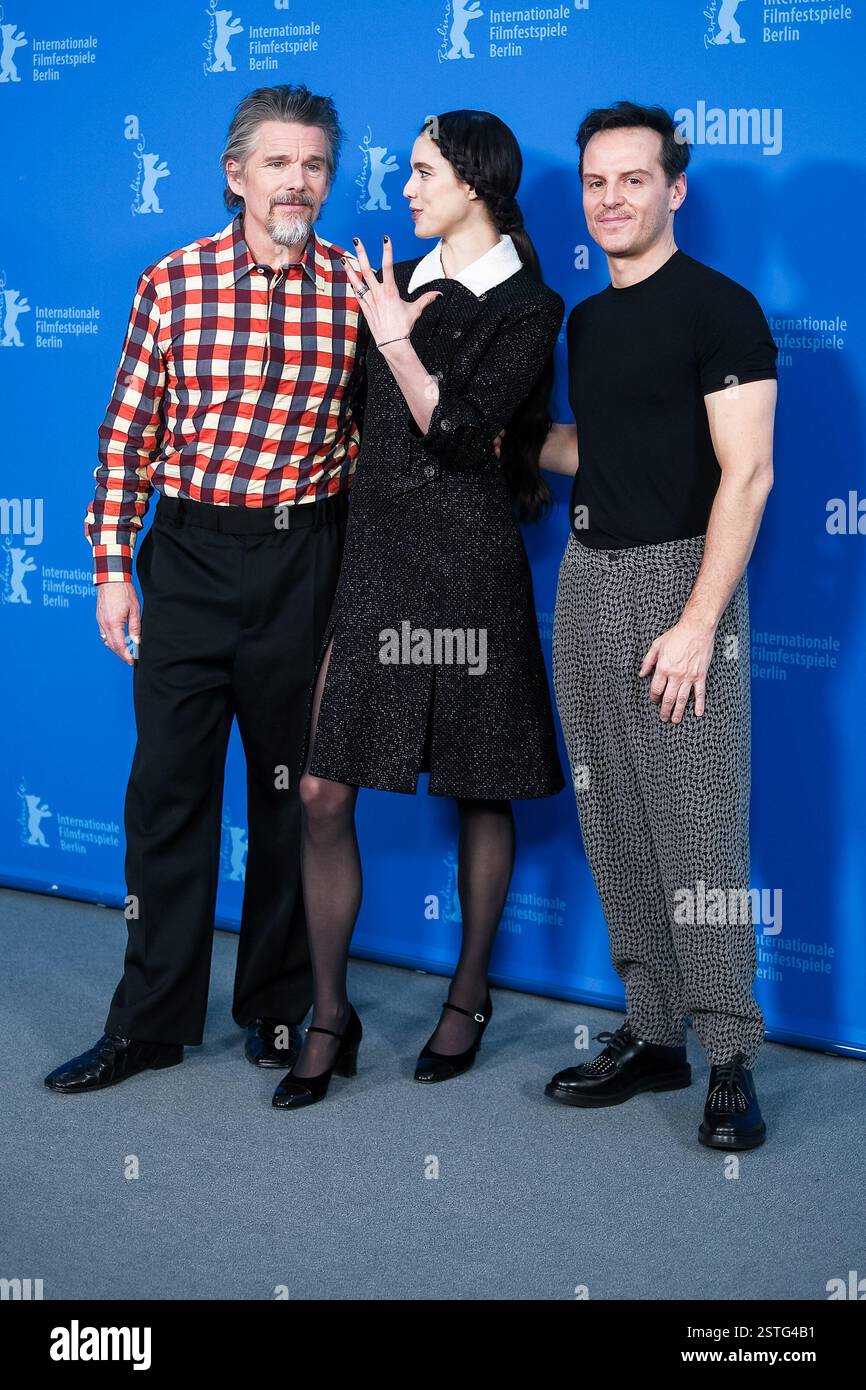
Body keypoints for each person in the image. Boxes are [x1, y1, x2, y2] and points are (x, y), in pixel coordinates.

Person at [45, 84, 362, 1093]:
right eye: (277, 163)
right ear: (235, 175)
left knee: (287, 798)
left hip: (302, 562)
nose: (296, 182)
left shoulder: (357, 291)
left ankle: (274, 1010)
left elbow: (373, 449)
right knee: (168, 795)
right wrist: (110, 570)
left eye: (313, 164)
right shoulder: (172, 281)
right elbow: (126, 438)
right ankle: (147, 1021)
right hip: (184, 563)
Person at [271, 110, 565, 1109]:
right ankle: (328, 1012)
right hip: (378, 562)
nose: (403, 186)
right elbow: (362, 427)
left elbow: (461, 431)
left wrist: (393, 337)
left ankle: (467, 994)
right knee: (320, 789)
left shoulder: (529, 305)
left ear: (473, 183)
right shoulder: (394, 275)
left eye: (421, 170)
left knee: (479, 785)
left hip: (471, 565)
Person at [541, 102, 778, 1150]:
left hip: (682, 586)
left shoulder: (720, 309)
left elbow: (749, 472)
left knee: (696, 835)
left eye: (632, 179)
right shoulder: (586, 321)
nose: (610, 198)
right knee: (615, 827)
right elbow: (594, 450)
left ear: (672, 189)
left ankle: (728, 1055)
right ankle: (651, 1031)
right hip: (586, 582)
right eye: (595, 181)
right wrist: (469, 423)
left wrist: (694, 622)